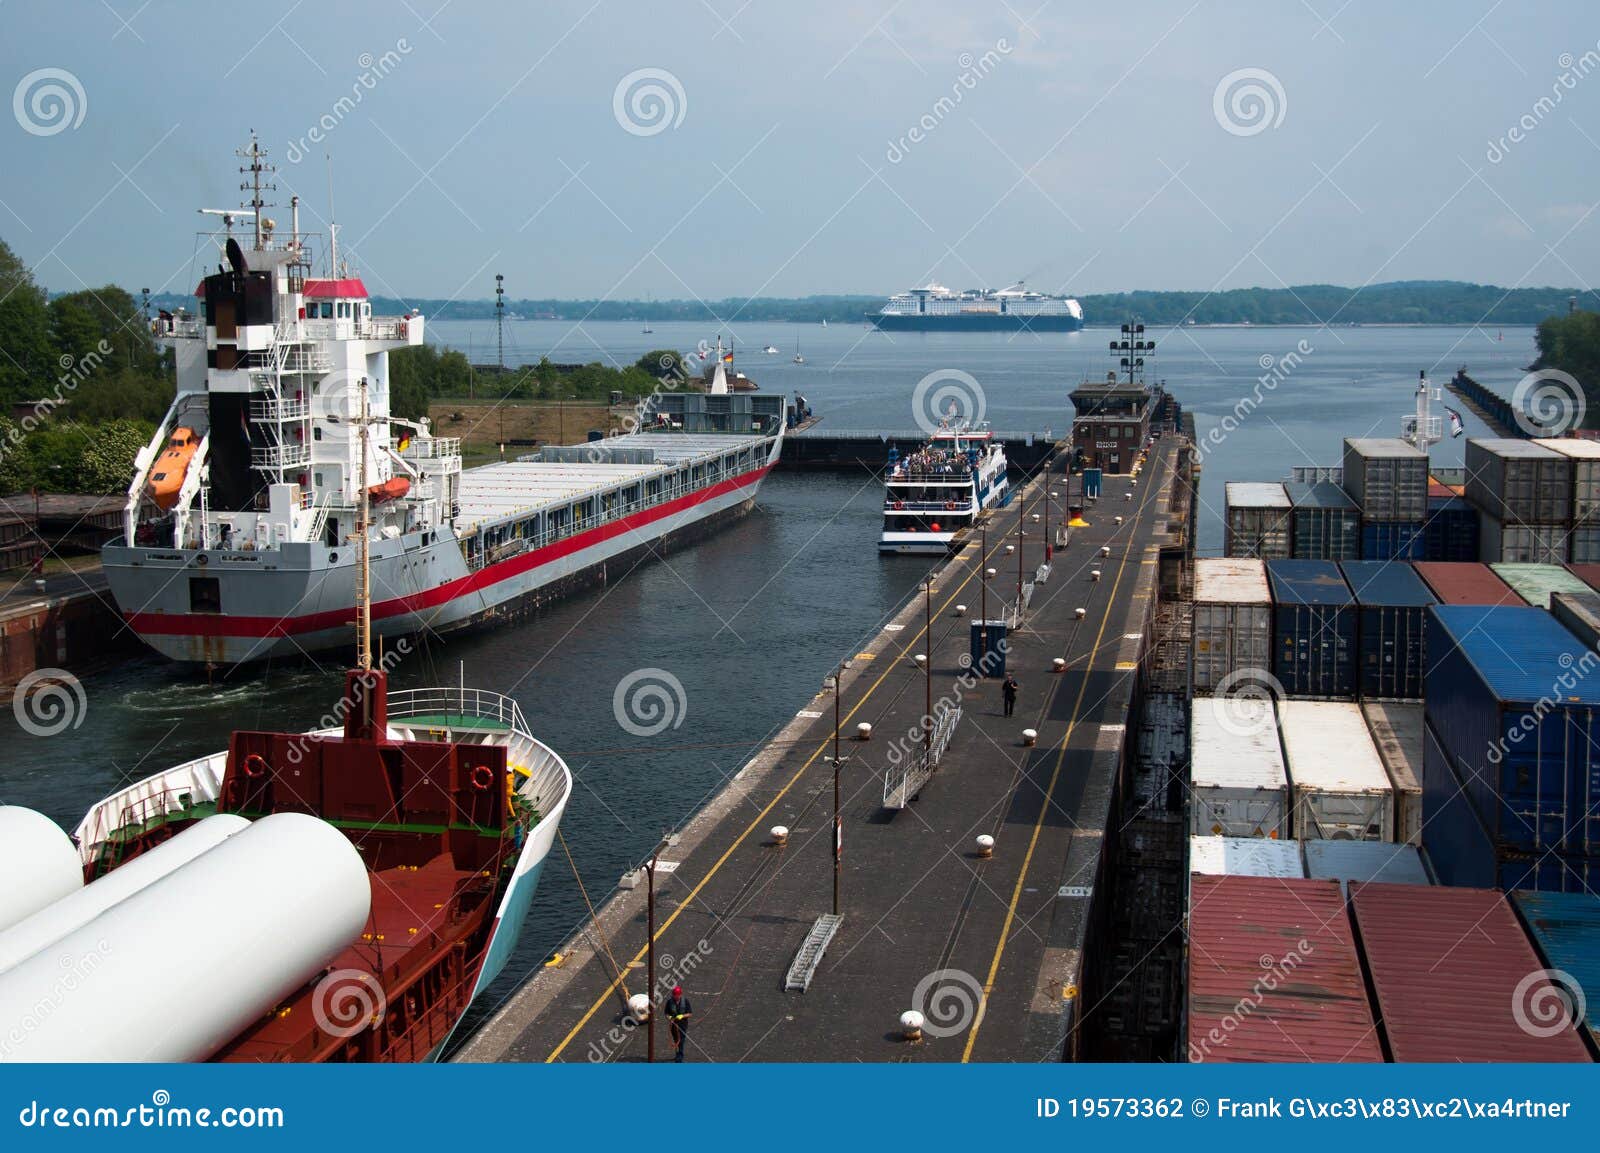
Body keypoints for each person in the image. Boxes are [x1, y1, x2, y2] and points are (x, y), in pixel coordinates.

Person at [663, 984, 692, 1062]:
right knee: (675, 1040)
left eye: (677, 995)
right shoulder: (669, 1002)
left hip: (682, 1025)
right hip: (673, 1024)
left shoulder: (685, 1001)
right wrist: (669, 1017)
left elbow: (690, 1013)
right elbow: (666, 1013)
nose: (676, 997)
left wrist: (682, 1016)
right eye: (674, 995)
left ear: (680, 995)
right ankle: (677, 1054)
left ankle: (680, 1056)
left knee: (681, 1040)